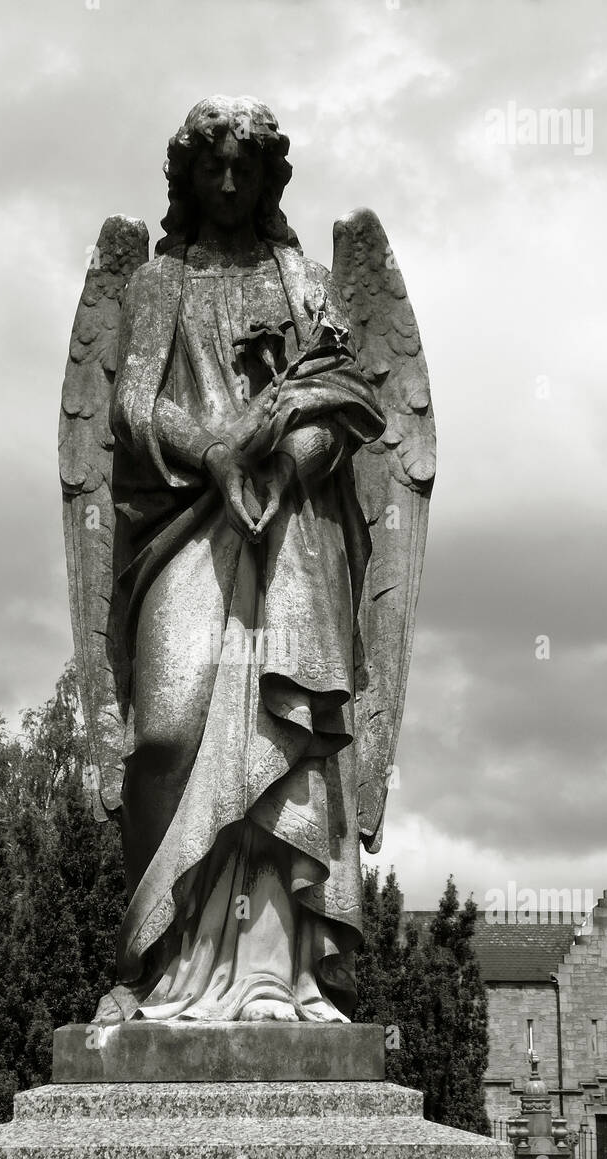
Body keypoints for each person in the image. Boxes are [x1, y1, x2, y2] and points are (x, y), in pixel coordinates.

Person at [96, 95, 386, 1023]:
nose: (228, 184)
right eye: (212, 168)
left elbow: (347, 401)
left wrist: (288, 461)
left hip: (290, 530)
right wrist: (219, 451)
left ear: (268, 179)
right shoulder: (157, 284)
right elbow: (132, 407)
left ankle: (271, 971)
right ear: (186, 176)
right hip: (186, 518)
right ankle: (154, 960)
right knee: (168, 731)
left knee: (279, 739)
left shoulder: (305, 282)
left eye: (246, 170)